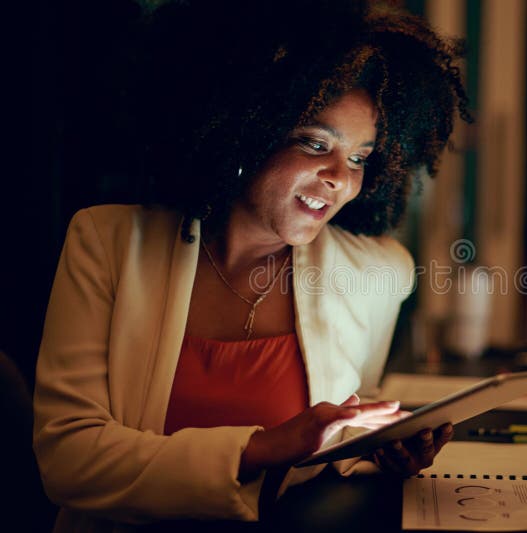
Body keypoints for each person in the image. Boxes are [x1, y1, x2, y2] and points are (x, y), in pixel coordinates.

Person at [33, 1, 470, 530]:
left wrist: (380, 449)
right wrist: (261, 448)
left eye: (359, 157)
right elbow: (68, 460)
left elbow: (345, 432)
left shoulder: (376, 273)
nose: (341, 178)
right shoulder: (106, 244)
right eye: (316, 143)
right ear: (245, 131)